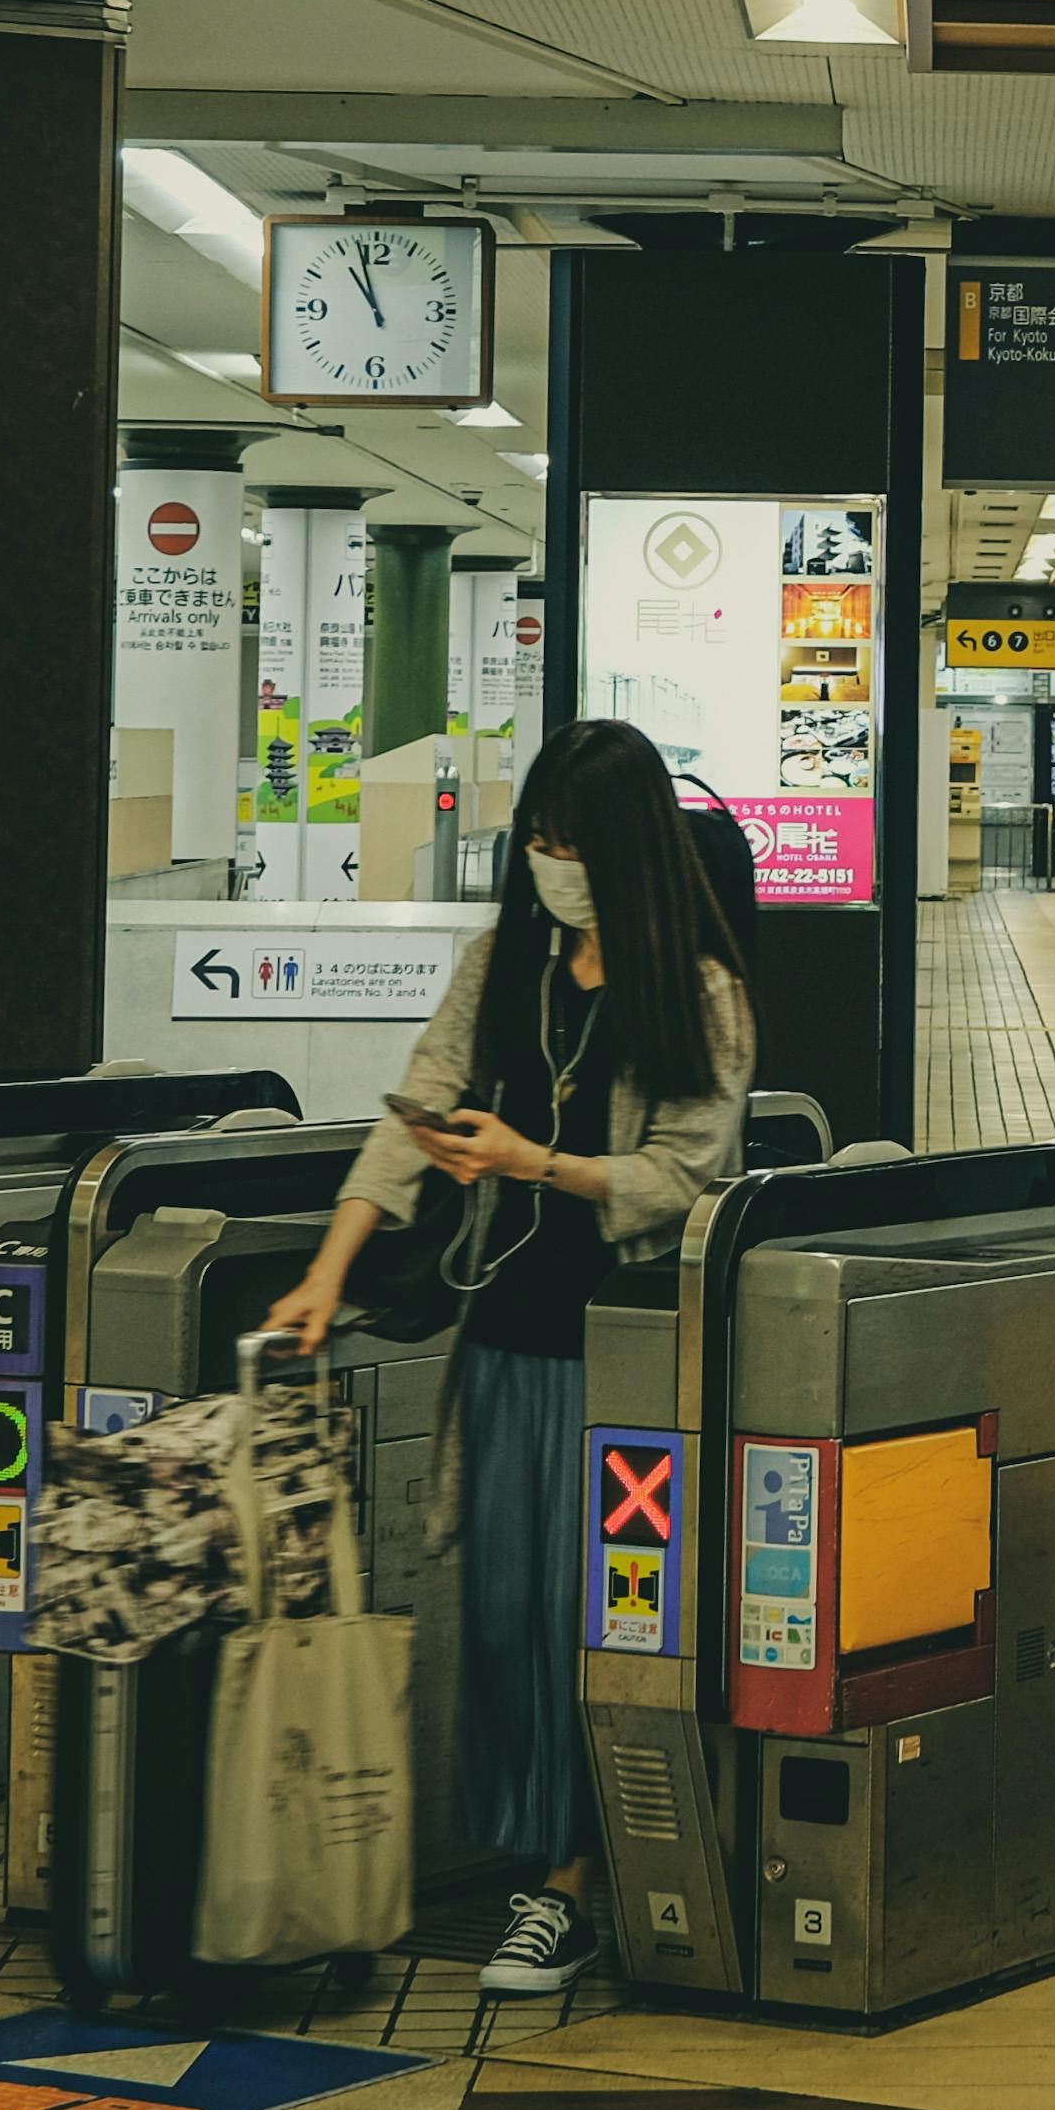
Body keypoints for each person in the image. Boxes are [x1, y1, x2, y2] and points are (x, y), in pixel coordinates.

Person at [265, 719, 755, 1996]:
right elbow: (415, 1107)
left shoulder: (696, 990)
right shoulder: (505, 962)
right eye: (537, 838)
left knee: (597, 1616)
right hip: (507, 1346)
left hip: (627, 1359)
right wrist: (328, 1270)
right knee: (505, 1618)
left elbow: (685, 1175)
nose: (549, 862)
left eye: (571, 841)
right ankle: (538, 1853)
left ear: (626, 848)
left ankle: (573, 1884)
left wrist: (537, 1162)